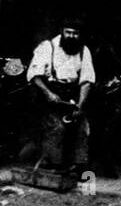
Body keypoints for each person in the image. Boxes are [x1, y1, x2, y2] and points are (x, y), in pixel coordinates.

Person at [26, 18, 95, 174]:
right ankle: (54, 166)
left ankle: (79, 167)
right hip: (49, 97)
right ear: (62, 32)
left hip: (71, 98)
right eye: (68, 32)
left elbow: (87, 81)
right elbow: (34, 75)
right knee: (56, 128)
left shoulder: (84, 51)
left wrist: (80, 105)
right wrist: (48, 94)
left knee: (82, 127)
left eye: (75, 33)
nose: (71, 36)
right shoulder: (47, 47)